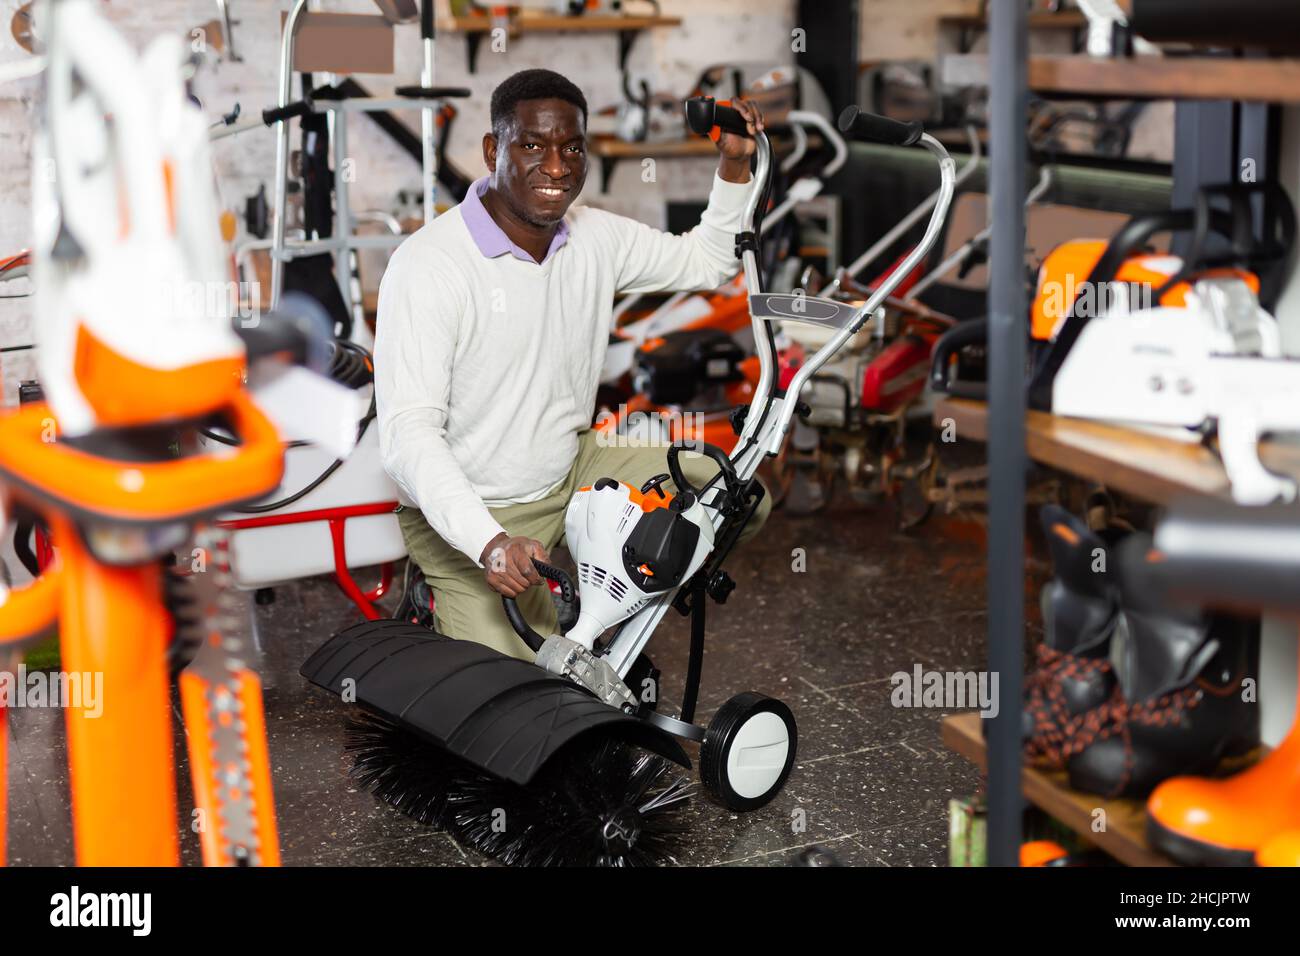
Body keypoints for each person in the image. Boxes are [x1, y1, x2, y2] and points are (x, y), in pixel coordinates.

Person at [375, 68, 771, 659]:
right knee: (515, 703)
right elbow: (408, 436)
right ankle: (441, 603)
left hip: (573, 467)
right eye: (532, 145)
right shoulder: (428, 265)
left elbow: (706, 262)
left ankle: (598, 611)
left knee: (736, 500)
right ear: (492, 151)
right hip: (478, 513)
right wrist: (488, 543)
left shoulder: (593, 236)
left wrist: (735, 165)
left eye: (572, 147)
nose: (557, 167)